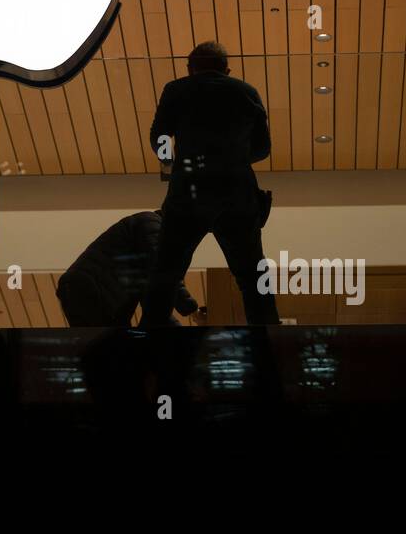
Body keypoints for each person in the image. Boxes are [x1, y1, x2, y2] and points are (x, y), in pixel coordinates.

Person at [139, 40, 281, 326]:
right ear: (226, 69)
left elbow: (160, 138)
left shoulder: (176, 90)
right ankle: (267, 332)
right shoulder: (246, 92)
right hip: (236, 192)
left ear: (190, 68)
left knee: (168, 269)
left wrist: (173, 161)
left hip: (188, 191)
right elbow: (263, 148)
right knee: (252, 273)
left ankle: (151, 335)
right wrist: (236, 159)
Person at [57, 210, 200, 327]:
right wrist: (192, 310)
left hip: (91, 292)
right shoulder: (150, 222)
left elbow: (155, 307)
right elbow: (165, 272)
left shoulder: (145, 246)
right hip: (90, 288)